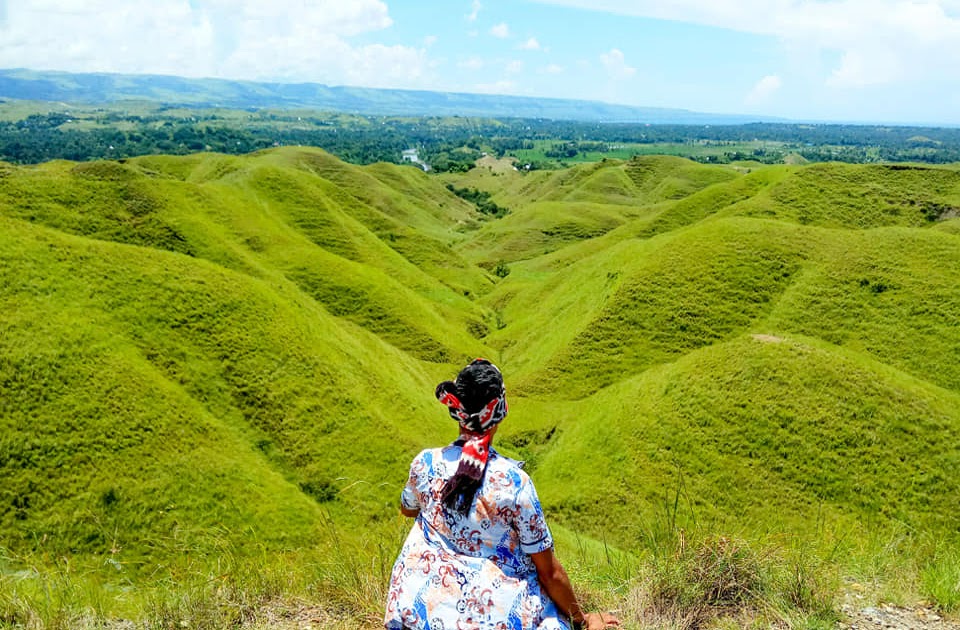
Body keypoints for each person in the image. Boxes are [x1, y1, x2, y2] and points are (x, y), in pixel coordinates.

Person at [384, 358, 620, 630]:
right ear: (499, 412)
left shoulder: (424, 463)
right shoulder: (514, 483)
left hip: (418, 612)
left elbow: (408, 508)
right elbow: (549, 572)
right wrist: (582, 618)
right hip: (490, 618)